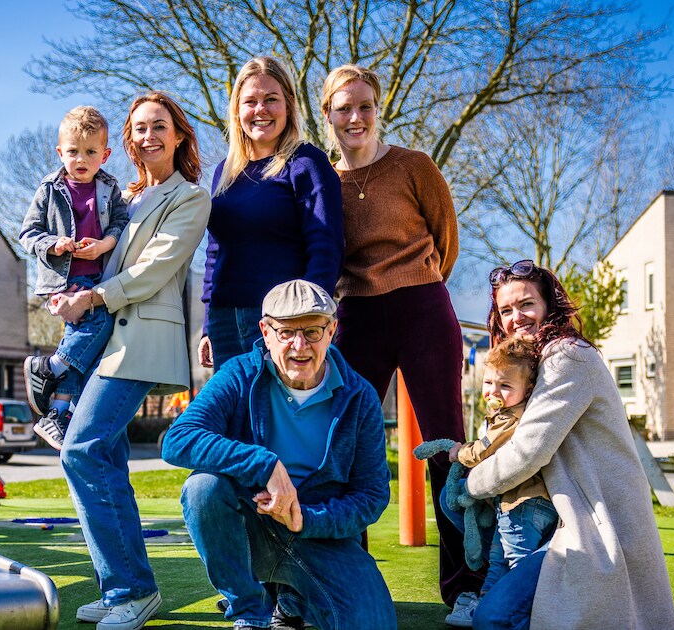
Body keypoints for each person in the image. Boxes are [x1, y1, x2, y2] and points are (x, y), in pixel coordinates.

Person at [320, 63, 481, 622]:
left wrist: (419, 287)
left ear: (377, 109)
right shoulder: (323, 181)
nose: (356, 117)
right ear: (328, 115)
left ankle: (465, 587)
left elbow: (446, 239)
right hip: (356, 316)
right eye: (344, 108)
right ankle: (351, 581)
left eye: (365, 106)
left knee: (446, 446)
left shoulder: (415, 166)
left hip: (422, 308)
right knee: (347, 447)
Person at [48, 91, 210, 630]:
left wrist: (91, 299)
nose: (148, 136)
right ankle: (121, 589)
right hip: (104, 341)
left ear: (179, 135)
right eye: (138, 128)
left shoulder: (189, 197)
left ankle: (133, 589)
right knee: (104, 458)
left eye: (159, 126)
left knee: (83, 449)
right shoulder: (128, 196)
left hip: (140, 342)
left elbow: (153, 271)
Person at [163, 279, 395, 629]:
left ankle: (289, 599)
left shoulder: (359, 396)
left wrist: (306, 518)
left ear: (332, 330)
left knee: (373, 623)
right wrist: (265, 463)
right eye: (286, 332)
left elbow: (372, 495)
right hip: (250, 520)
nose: (299, 346)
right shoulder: (239, 373)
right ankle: (249, 611)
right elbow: (178, 439)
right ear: (265, 332)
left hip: (316, 531)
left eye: (313, 331)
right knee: (202, 489)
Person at [467, 260, 674, 629]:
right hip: (561, 510)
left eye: (526, 304)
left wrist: (469, 483)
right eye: (506, 310)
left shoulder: (566, 355)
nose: (516, 317)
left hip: (593, 520)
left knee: (495, 617)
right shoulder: (535, 364)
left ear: (548, 304)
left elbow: (527, 453)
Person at [198, 56, 343, 370]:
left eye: (271, 99)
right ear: (237, 111)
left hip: (284, 322)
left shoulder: (306, 163)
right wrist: (209, 325)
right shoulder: (225, 171)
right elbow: (214, 251)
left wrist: (307, 320)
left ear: (288, 105)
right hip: (225, 320)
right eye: (250, 101)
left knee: (274, 415)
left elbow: (326, 246)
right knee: (235, 417)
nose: (260, 109)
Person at [19, 105, 130, 450]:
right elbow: (27, 234)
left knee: (87, 342)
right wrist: (55, 245)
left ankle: (58, 412)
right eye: (72, 152)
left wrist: (103, 246)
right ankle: (50, 366)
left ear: (105, 154)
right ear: (60, 152)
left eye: (90, 152)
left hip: (98, 274)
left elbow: (120, 225)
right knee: (98, 325)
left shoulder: (110, 189)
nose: (80, 159)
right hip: (64, 281)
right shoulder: (49, 188)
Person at [441, 336, 557, 624]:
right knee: (499, 559)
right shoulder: (515, 414)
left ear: (527, 389)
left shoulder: (511, 418)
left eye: (505, 386)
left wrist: (460, 453)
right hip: (518, 506)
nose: (494, 391)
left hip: (521, 505)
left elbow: (484, 449)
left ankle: (525, 617)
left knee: (517, 567)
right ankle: (487, 608)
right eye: (489, 383)